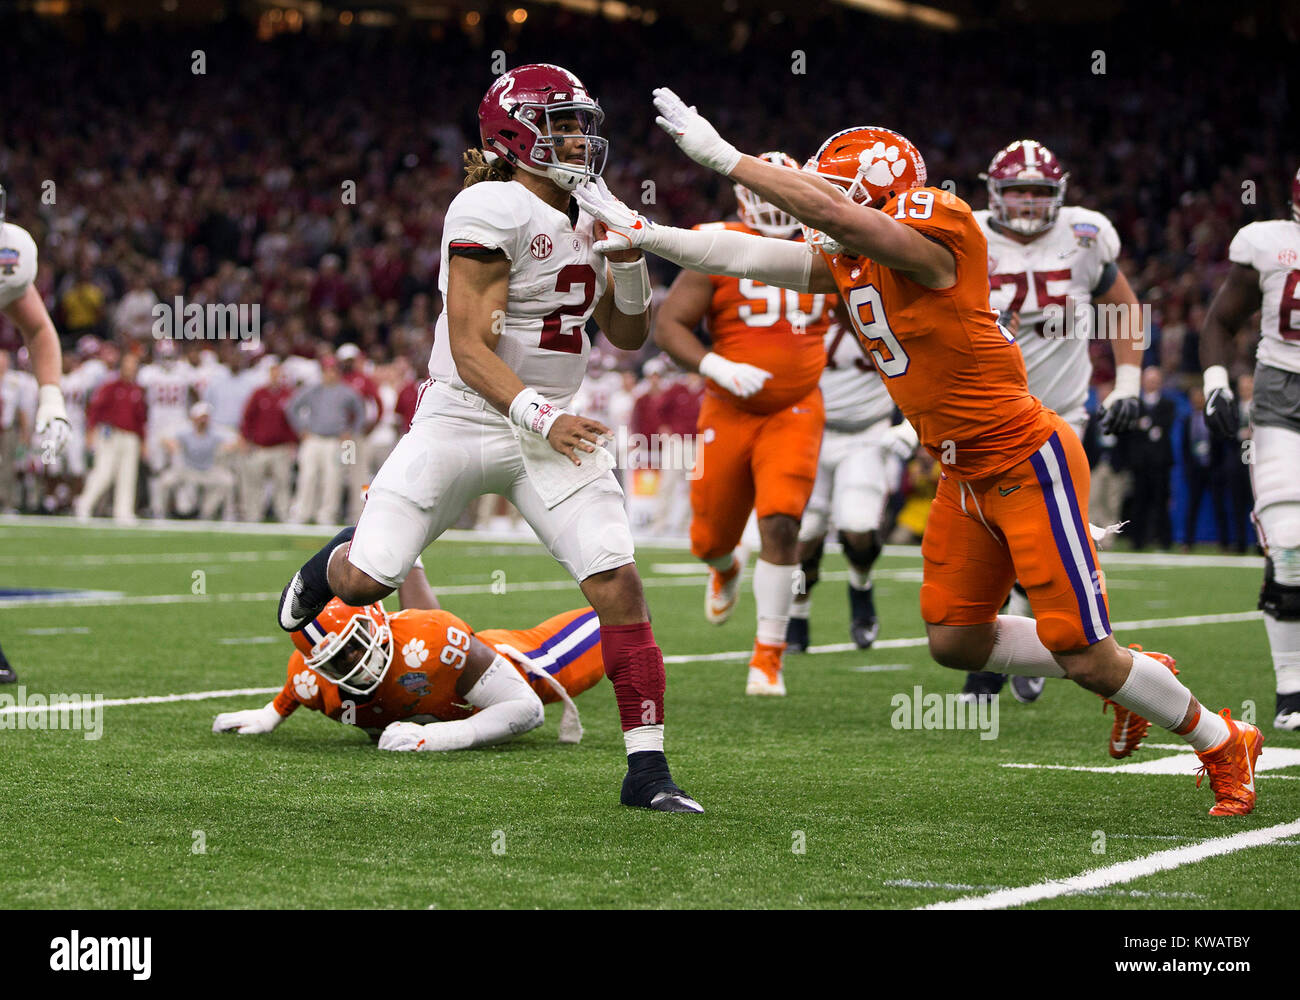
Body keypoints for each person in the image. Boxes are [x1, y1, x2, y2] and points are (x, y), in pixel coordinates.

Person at [575, 93, 1262, 815]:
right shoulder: (853, 258)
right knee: (956, 640)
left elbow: (839, 216)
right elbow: (745, 254)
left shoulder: (943, 225)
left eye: (833, 190)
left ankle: (1221, 738)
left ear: (874, 190)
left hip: (1027, 458)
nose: (818, 206)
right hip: (963, 470)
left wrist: (723, 157)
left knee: (1082, 649)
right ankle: (1133, 675)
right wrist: (645, 229)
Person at [277, 65, 700, 812]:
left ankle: (648, 772)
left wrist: (628, 258)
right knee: (367, 581)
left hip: (549, 429)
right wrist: (543, 415)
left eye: (580, 123)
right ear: (514, 132)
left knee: (619, 584)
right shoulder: (488, 204)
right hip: (465, 416)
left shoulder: (587, 207)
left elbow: (628, 336)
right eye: (560, 123)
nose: (577, 137)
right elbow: (472, 351)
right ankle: (334, 558)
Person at [961, 139, 1146, 704]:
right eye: (1016, 190)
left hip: (1059, 413)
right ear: (994, 192)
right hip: (984, 413)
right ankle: (1023, 647)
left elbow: (1122, 305)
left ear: (1058, 194)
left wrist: (1130, 379)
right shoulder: (964, 230)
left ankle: (995, 669)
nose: (1026, 202)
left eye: (1038, 192)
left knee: (1034, 536)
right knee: (985, 535)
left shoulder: (1085, 234)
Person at [651, 152, 837, 695]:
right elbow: (670, 325)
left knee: (781, 522)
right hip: (728, 409)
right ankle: (724, 567)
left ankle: (768, 656)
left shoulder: (829, 244)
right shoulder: (720, 244)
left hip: (795, 408)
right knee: (709, 537)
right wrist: (717, 365)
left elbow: (870, 307)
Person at [214, 563, 603, 749]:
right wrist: (269, 716)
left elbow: (527, 709)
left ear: (378, 620)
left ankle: (401, 546)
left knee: (616, 625)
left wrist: (434, 738)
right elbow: (290, 696)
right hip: (428, 665)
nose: (352, 661)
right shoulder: (310, 678)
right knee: (423, 649)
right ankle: (404, 551)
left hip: (512, 664)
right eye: (336, 660)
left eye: (355, 643)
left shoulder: (436, 640)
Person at [1200, 167, 1300, 730]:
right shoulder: (1270, 244)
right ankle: (1292, 688)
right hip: (1283, 396)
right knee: (1287, 543)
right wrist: (1216, 382)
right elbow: (1220, 322)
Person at [787, 303, 912, 654]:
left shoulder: (887, 307)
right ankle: (797, 613)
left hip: (866, 433)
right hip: (810, 430)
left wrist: (909, 426)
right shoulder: (799, 308)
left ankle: (861, 585)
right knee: (804, 534)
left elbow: (921, 369)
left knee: (858, 526)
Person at [285, 353, 365, 524]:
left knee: (332, 479)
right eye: (327, 370)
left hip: (335, 442)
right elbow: (292, 407)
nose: (330, 373)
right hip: (313, 439)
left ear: (338, 372)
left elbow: (361, 412)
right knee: (307, 476)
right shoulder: (312, 389)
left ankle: (327, 515)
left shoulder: (347, 391)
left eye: (333, 370)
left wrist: (351, 432)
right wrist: (301, 429)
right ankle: (301, 513)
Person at [75, 352, 147, 524]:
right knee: (103, 472)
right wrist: (90, 432)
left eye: (133, 366)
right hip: (110, 435)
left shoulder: (137, 390)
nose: (131, 369)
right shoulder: (110, 387)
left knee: (128, 476)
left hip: (131, 437)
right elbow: (95, 411)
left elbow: (141, 419)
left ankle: (123, 512)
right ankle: (84, 505)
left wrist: (143, 441)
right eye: (128, 365)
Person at [152, 402, 238, 520]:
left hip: (208, 470)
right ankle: (159, 513)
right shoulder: (184, 430)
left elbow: (234, 440)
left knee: (228, 481)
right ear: (194, 418)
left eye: (206, 417)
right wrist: (171, 444)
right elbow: (164, 438)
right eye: (201, 417)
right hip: (187, 469)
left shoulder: (215, 432)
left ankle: (210, 512)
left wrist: (228, 447)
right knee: (165, 481)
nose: (203, 420)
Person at [1127, 367, 1176, 550]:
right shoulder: (1135, 404)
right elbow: (1132, 428)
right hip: (1140, 463)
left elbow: (1165, 426)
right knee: (1139, 501)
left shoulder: (1168, 404)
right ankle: (1137, 541)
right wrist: (1148, 427)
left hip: (1160, 462)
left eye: (1155, 379)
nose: (1151, 383)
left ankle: (1164, 540)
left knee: (1161, 501)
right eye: (1148, 379)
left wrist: (1145, 426)